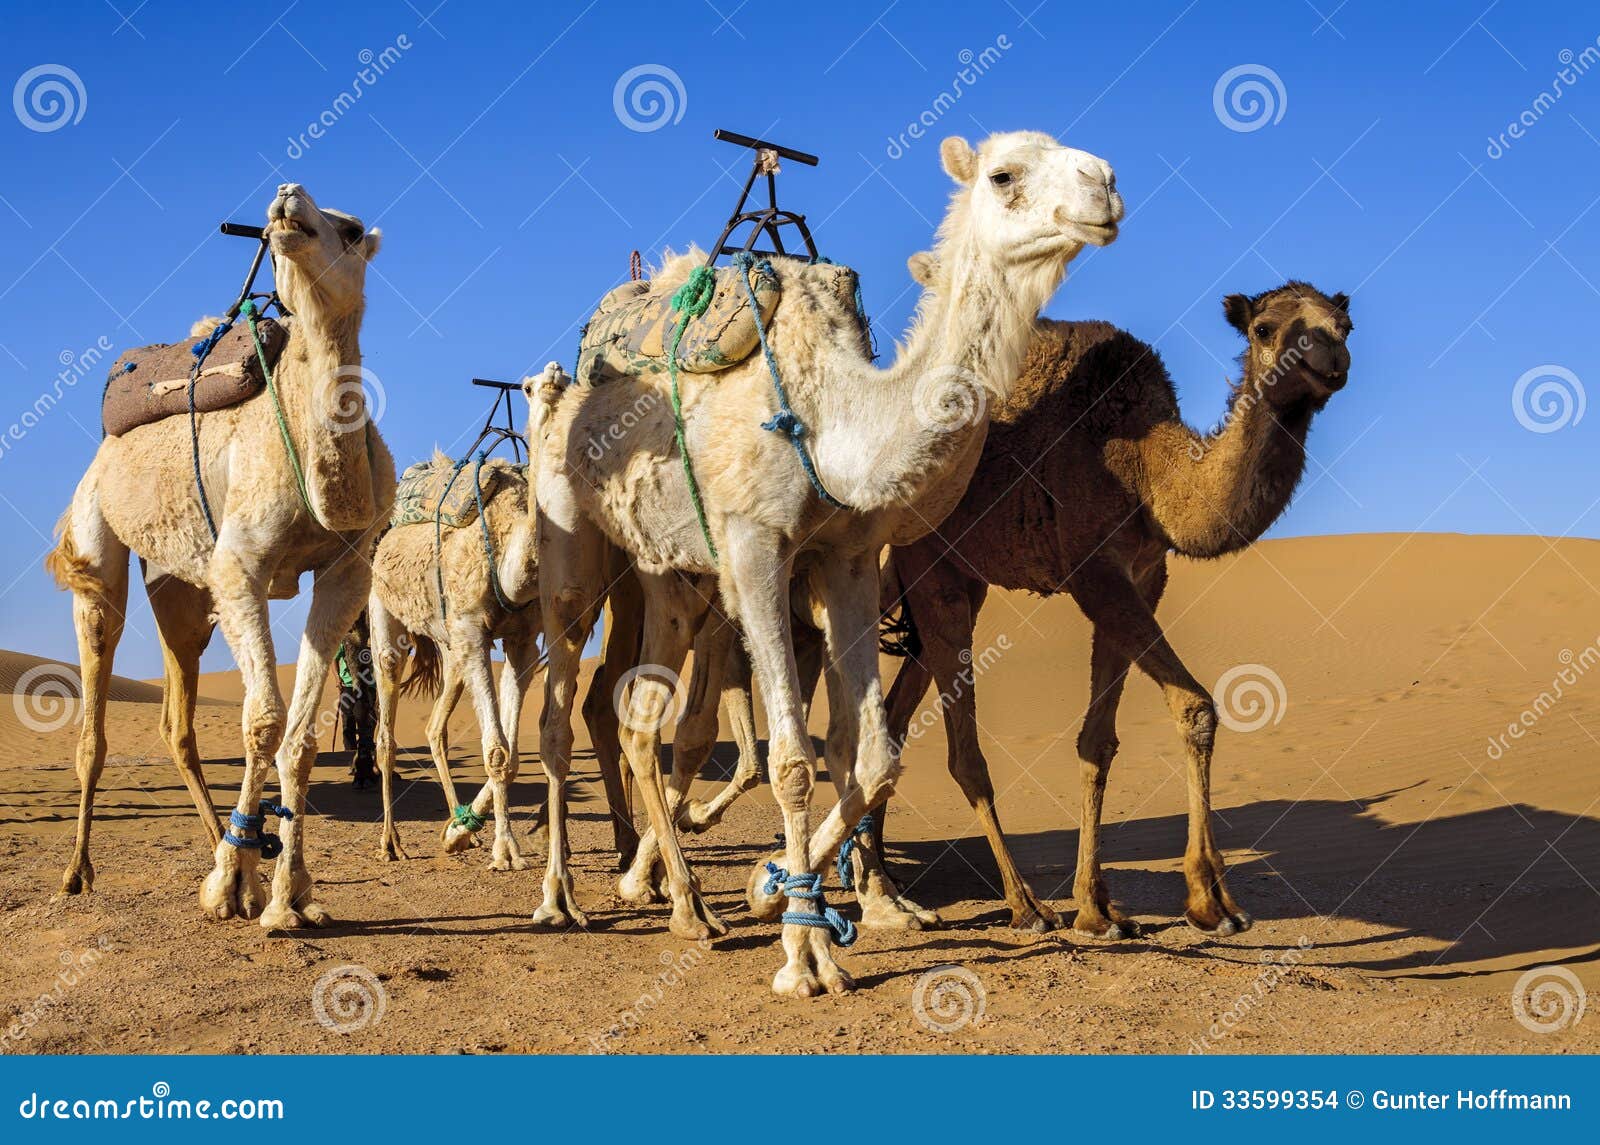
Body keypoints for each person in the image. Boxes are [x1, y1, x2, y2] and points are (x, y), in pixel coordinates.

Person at [335, 611, 378, 787]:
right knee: (349, 722)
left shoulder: (373, 635)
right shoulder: (345, 637)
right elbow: (335, 658)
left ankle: (368, 761)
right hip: (347, 685)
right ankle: (352, 760)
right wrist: (338, 679)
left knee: (370, 721)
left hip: (371, 684)